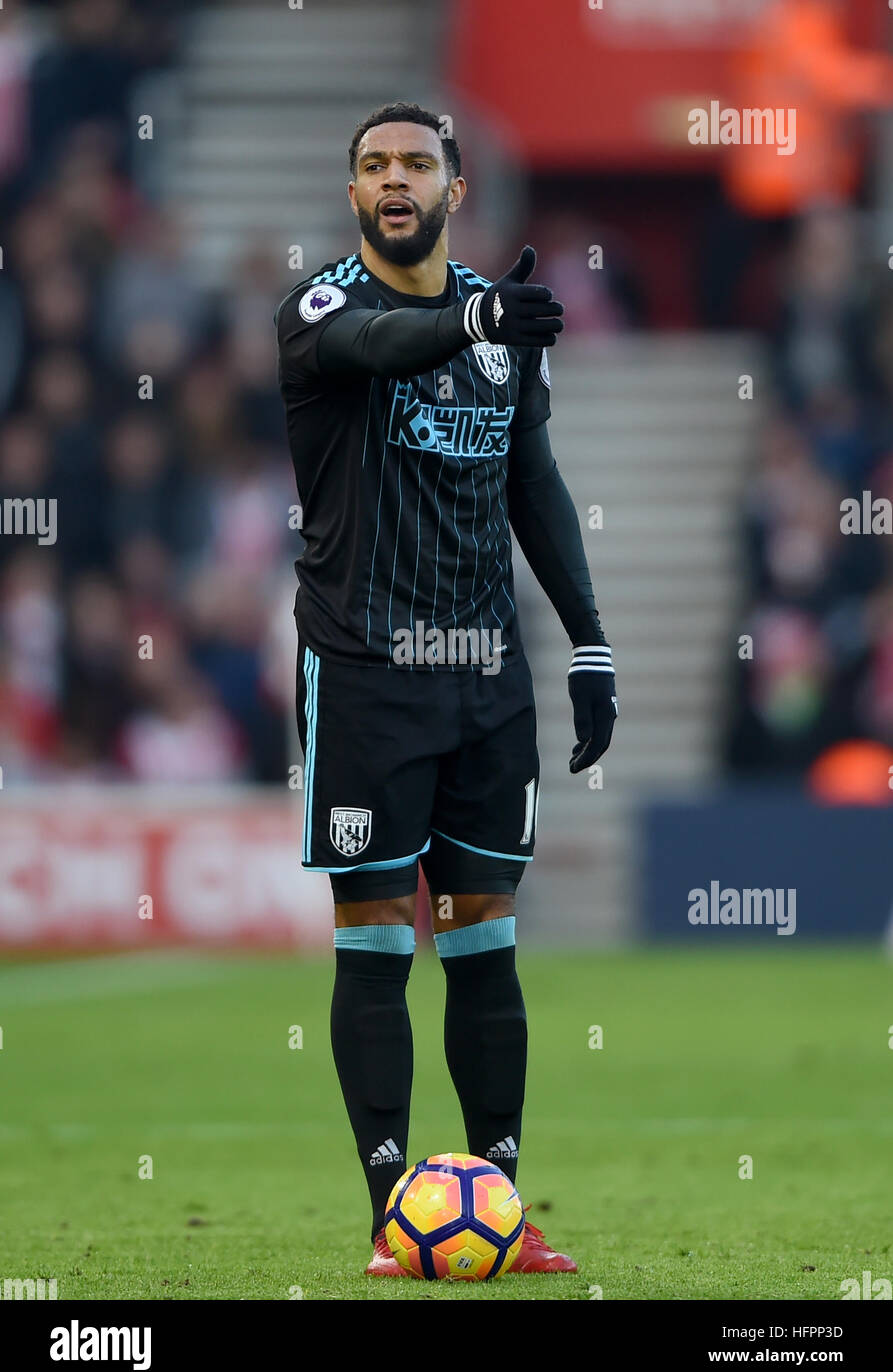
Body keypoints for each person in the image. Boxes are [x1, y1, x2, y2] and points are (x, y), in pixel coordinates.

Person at [275, 102, 617, 1274]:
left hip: (484, 678)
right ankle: (389, 1218)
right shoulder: (320, 306)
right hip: (364, 672)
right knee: (374, 939)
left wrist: (589, 641)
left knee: (484, 941)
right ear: (355, 195)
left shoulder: (495, 325)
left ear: (454, 186)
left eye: (415, 162)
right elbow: (376, 347)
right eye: (372, 167)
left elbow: (535, 483)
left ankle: (498, 1212)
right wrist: (469, 314)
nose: (392, 180)